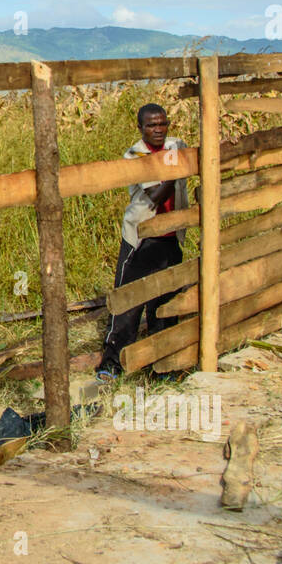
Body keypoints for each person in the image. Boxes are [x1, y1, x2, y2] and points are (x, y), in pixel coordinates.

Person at [100, 102, 190, 376]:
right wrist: (179, 168)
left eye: (162, 123)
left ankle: (163, 367)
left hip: (170, 235)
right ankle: (112, 365)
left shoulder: (177, 145)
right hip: (140, 238)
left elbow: (204, 154)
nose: (158, 130)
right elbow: (157, 195)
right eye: (151, 125)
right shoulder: (135, 155)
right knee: (128, 303)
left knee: (164, 304)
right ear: (140, 129)